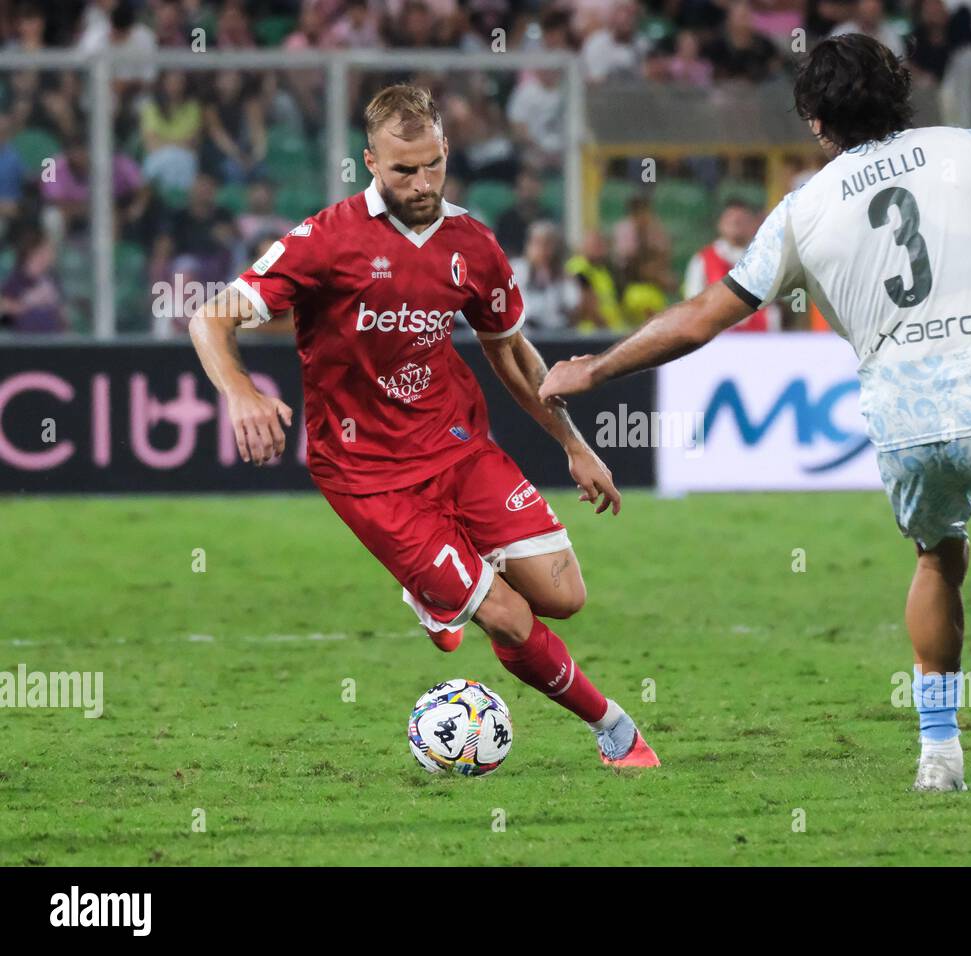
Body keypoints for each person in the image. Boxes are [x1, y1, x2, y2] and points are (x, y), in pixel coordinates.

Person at [541, 35, 971, 791]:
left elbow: (705, 316)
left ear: (813, 119)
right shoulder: (968, 148)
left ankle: (939, 757)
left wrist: (598, 367)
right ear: (902, 88)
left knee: (939, 556)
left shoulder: (802, 209)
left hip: (898, 412)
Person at [188, 85, 657, 769]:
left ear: (446, 152)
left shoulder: (473, 243)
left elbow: (513, 353)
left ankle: (438, 589)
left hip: (458, 445)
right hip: (368, 476)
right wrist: (238, 390)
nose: (421, 182)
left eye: (433, 164)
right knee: (506, 614)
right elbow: (210, 315)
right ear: (370, 162)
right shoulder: (326, 241)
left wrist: (574, 446)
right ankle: (614, 728)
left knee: (563, 596)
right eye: (403, 170)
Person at [682, 199, 781, 332]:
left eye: (741, 221)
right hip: (717, 337)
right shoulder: (703, 260)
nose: (736, 225)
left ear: (754, 224)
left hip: (761, 338)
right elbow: (692, 303)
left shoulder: (767, 259)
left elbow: (779, 305)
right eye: (731, 221)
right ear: (720, 224)